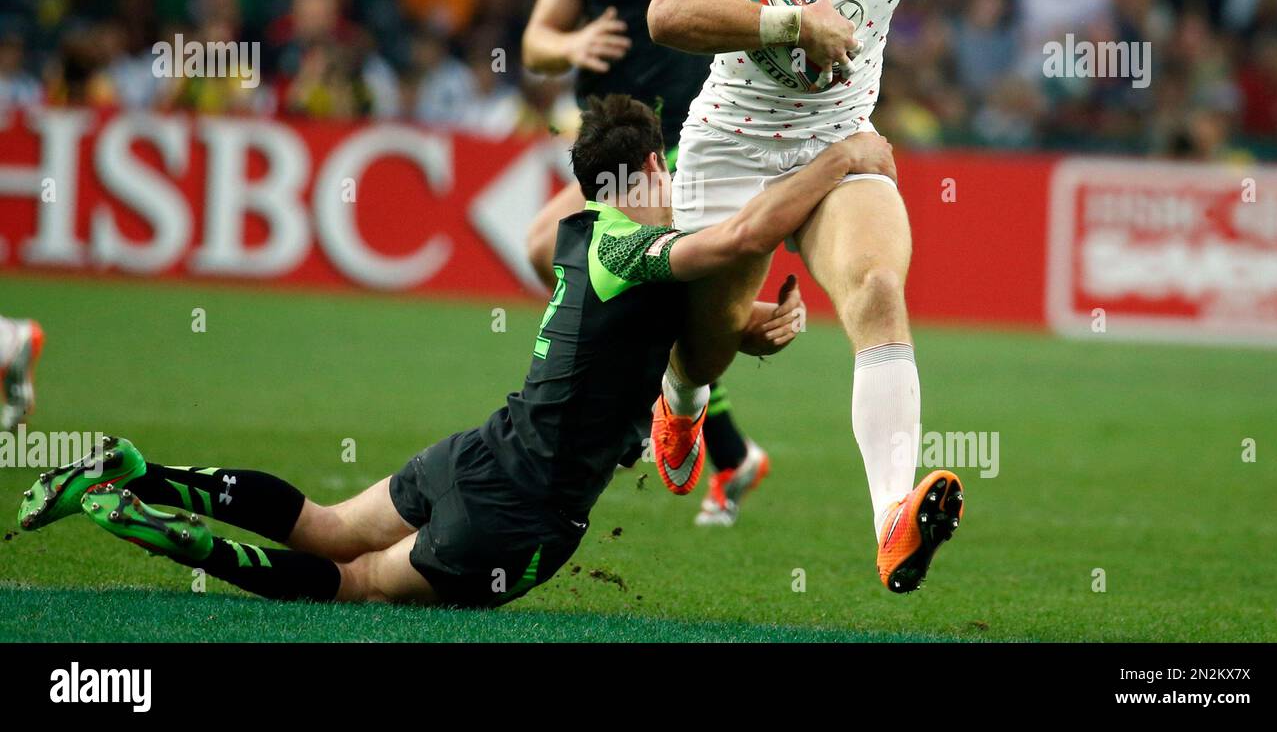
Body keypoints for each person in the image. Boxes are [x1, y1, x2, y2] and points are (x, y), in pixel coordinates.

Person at [17, 96, 897, 607]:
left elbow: (644, 318)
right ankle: (145, 524)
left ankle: (138, 467)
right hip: (523, 511)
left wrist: (742, 330)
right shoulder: (634, 247)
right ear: (658, 166)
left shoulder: (582, 233)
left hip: (483, 451)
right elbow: (742, 231)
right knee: (354, 583)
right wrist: (845, 153)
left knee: (326, 526)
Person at [646, 0, 1171, 592]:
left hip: (844, 142)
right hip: (733, 152)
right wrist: (788, 26)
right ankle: (683, 398)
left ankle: (894, 515)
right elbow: (668, 11)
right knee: (712, 336)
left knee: (880, 290)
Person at [522, 0, 765, 526]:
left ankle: (684, 426)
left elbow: (765, 17)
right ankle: (723, 445)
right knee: (544, 251)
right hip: (613, 159)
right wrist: (574, 43)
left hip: (693, 149)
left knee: (629, 282)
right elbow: (533, 42)